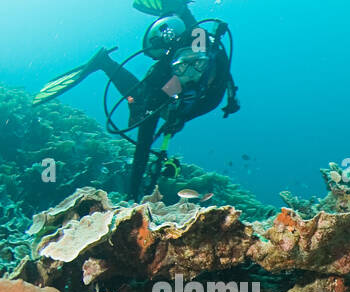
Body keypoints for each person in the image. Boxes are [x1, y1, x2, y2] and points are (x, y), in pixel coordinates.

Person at [32, 0, 240, 199]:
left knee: (191, 37)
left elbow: (211, 62)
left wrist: (230, 99)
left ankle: (174, 8)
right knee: (141, 101)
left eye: (198, 64)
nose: (190, 74)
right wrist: (132, 194)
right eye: (181, 67)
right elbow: (143, 144)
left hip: (199, 94)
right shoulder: (164, 80)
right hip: (174, 93)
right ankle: (105, 63)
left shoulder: (212, 56)